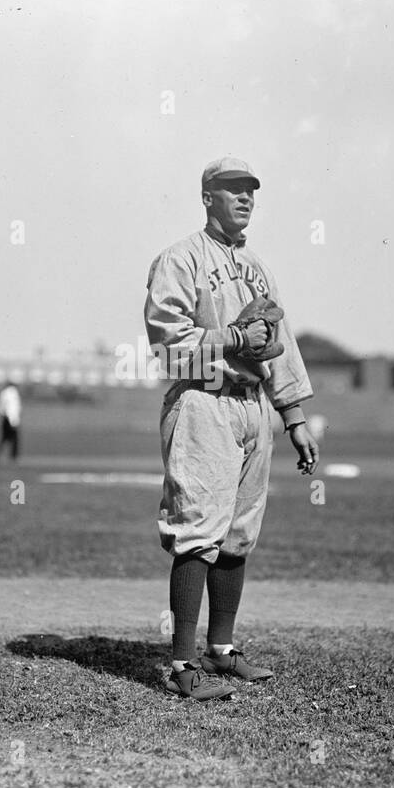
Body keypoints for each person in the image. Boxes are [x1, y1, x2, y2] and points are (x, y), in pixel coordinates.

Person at [144, 156, 318, 701]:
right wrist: (233, 340)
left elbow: (283, 346)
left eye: (250, 190)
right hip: (202, 401)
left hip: (252, 406)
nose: (245, 198)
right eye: (233, 189)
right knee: (198, 529)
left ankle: (220, 650)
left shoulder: (258, 268)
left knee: (240, 532)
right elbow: (168, 346)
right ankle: (181, 663)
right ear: (207, 197)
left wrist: (293, 416)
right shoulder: (179, 259)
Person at [0, 382, 21, 462]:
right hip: (10, 418)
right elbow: (12, 408)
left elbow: (2, 407)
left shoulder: (4, 393)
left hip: (5, 417)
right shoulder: (12, 393)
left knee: (5, 438)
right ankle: (13, 456)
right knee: (13, 438)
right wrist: (13, 420)